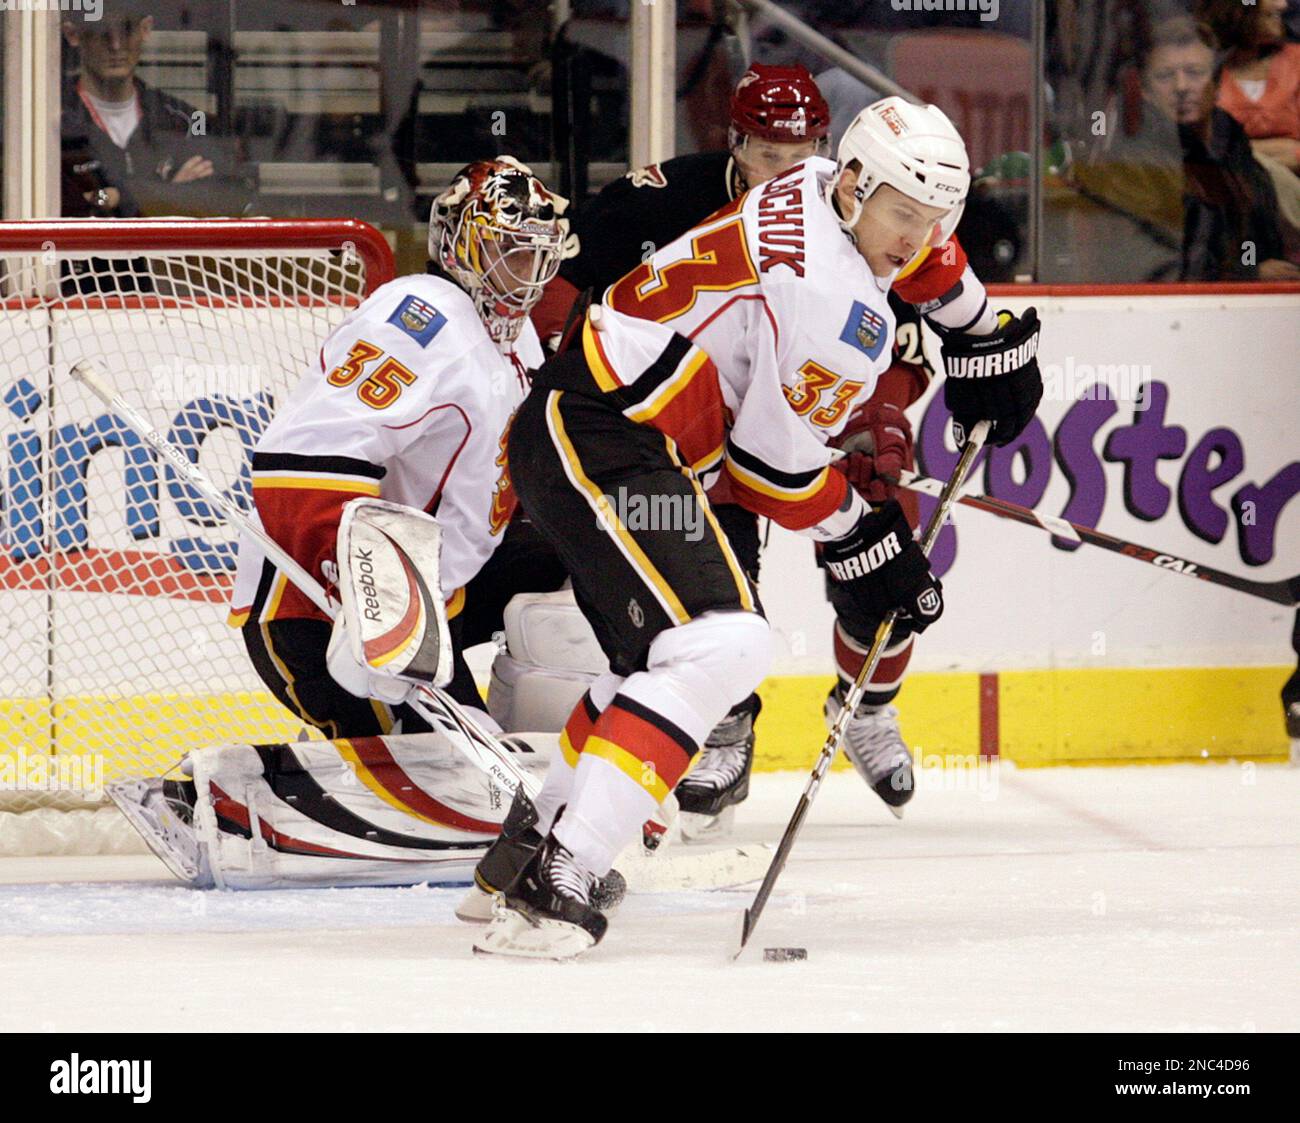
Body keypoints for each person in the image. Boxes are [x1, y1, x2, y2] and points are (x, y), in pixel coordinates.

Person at [473, 98, 1043, 958]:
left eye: (934, 222)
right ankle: (565, 873)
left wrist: (980, 328)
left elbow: (929, 260)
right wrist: (868, 539)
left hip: (591, 432)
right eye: (902, 215)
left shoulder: (813, 183)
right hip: (603, 438)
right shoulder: (832, 305)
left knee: (652, 662)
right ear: (854, 185)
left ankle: (524, 854)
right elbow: (767, 472)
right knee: (725, 645)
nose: (916, 240)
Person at [527, 65, 995, 827]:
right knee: (716, 618)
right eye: (767, 152)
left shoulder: (822, 196)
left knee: (804, 582)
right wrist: (854, 523)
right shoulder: (688, 204)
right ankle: (701, 741)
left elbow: (904, 306)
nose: (784, 165)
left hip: (716, 423)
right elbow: (773, 466)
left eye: (799, 147)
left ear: (825, 153)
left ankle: (866, 707)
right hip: (663, 438)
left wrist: (905, 400)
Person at [227, 157, 568, 740]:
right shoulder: (425, 316)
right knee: (468, 777)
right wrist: (375, 604)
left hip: (436, 605)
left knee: (583, 567)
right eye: (508, 251)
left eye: (537, 254)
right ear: (459, 246)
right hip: (321, 614)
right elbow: (302, 461)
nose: (525, 272)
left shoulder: (517, 339)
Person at [1071, 17, 1300, 280]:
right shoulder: (1133, 160)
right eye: (1165, 76)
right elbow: (1149, 264)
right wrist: (1247, 274)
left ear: (1216, 83)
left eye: (1194, 73)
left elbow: (1258, 235)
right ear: (1145, 89)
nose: (1181, 87)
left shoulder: (1232, 144)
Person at [60, 4, 251, 225]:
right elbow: (67, 205)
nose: (115, 45)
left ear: (145, 29)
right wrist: (169, 193)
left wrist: (118, 196)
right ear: (73, 35)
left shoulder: (187, 121)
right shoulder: (47, 119)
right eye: (101, 32)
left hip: (163, 259)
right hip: (80, 259)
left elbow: (226, 198)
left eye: (127, 30)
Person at [1197, 0, 1300, 245]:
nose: (1284, 4)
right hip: (1230, 209)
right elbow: (1204, 151)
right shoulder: (1200, 69)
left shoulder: (1297, 63)